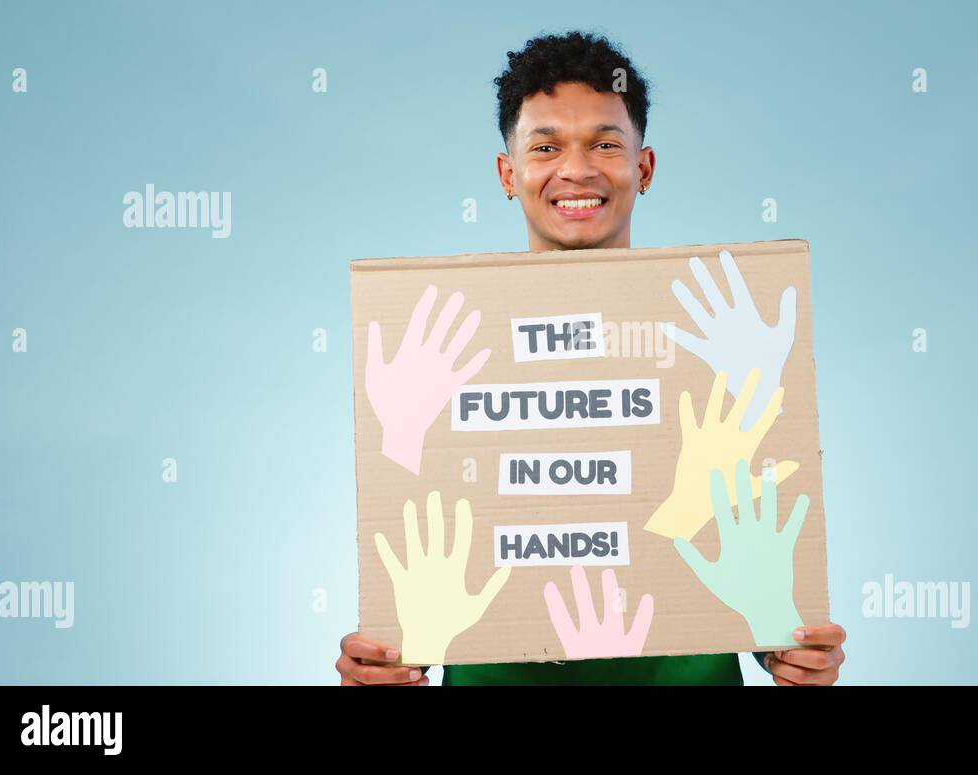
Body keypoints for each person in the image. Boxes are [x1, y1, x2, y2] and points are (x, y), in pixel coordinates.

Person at [337, 30, 845, 686]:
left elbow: (756, 560)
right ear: (507, 173)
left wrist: (789, 640)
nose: (576, 170)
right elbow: (424, 579)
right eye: (545, 147)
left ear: (645, 167)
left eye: (605, 143)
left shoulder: (711, 351)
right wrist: (382, 660)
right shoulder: (448, 361)